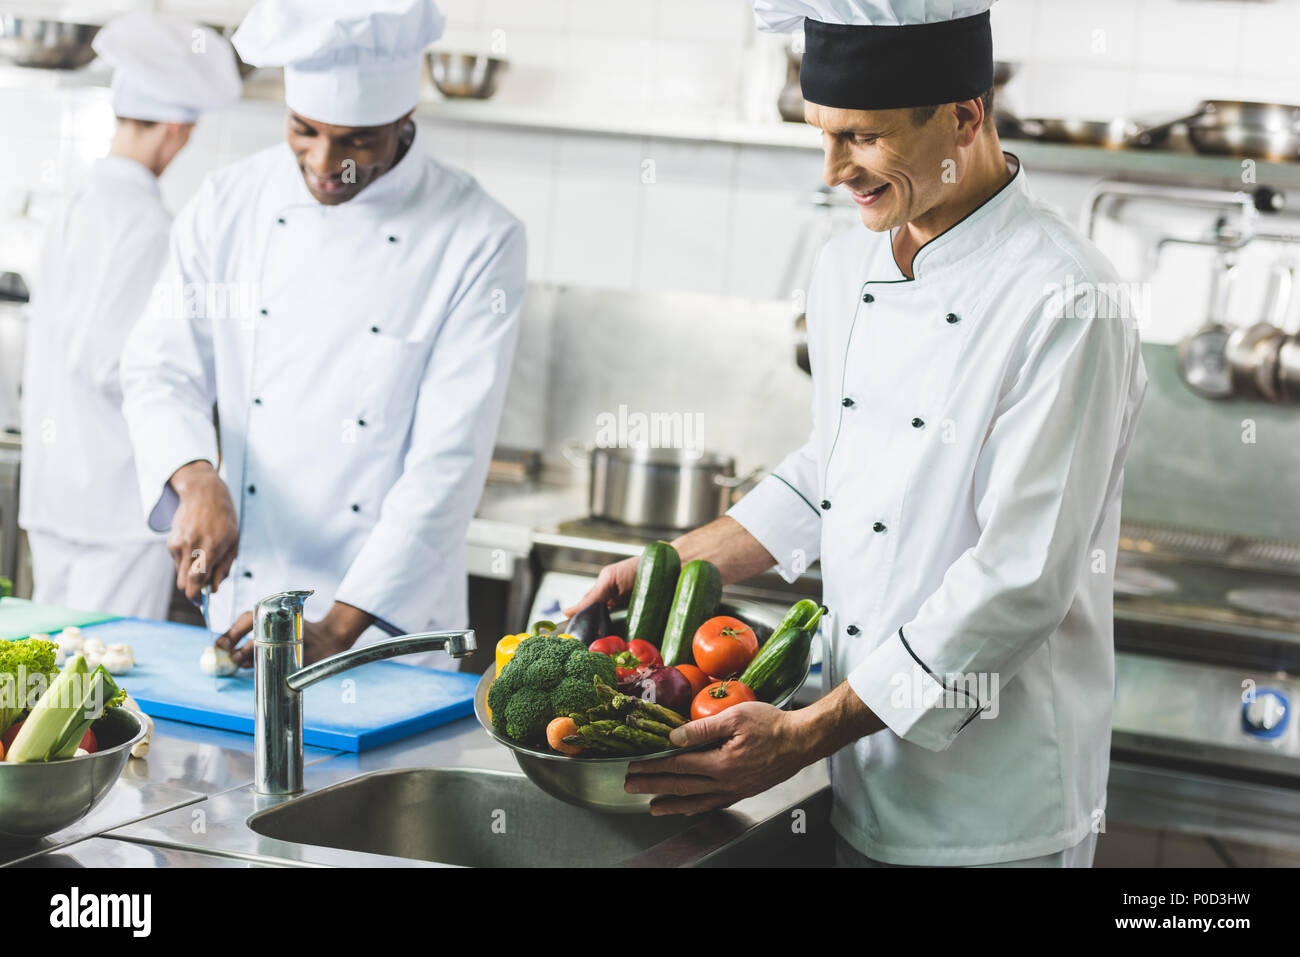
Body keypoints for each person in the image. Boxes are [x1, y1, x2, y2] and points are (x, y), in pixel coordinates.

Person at [566, 0, 1147, 868]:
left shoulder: (1066, 299)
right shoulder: (849, 266)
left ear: (964, 113)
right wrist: (677, 563)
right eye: (823, 134)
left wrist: (803, 733)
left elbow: (1018, 578)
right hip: (857, 771)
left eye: (864, 138)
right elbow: (828, 471)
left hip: (992, 808)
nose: (836, 169)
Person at [119, 0, 526, 666]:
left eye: (357, 140)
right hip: (243, 610)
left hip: (386, 635)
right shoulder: (230, 203)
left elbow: (446, 465)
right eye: (303, 129)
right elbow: (158, 367)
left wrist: (338, 627)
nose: (324, 161)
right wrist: (196, 479)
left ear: (404, 121)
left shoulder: (478, 236)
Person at [19, 13, 242, 619]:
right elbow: (115, 362)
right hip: (111, 502)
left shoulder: (76, 199)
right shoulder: (147, 226)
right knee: (100, 682)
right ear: (177, 130)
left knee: (45, 681)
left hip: (58, 492)